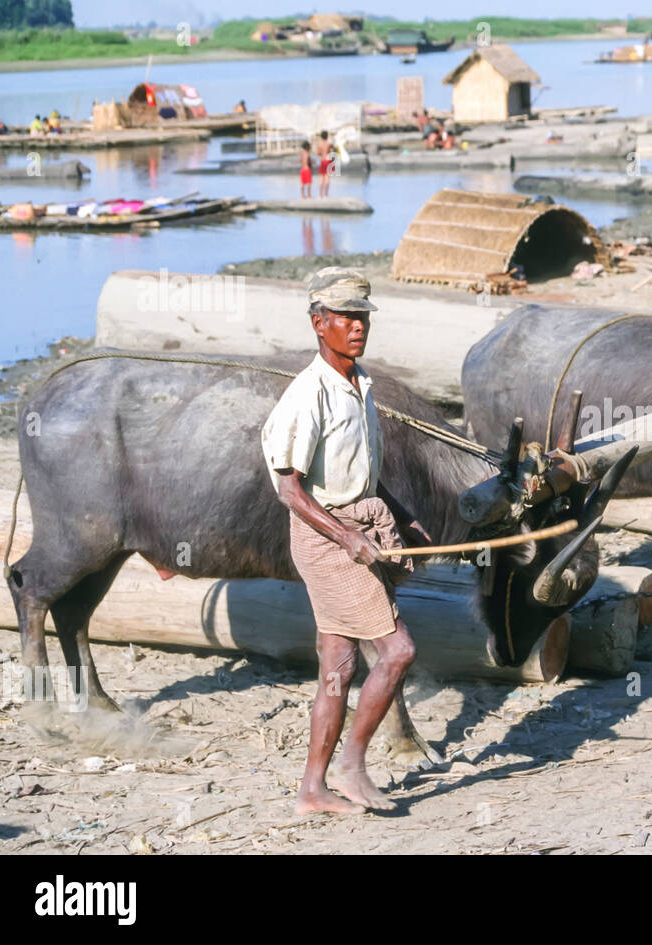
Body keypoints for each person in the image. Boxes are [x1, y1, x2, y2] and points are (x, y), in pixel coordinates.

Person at [261, 268, 430, 813]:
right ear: (319, 324)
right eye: (345, 318)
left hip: (360, 522)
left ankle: (313, 789)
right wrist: (348, 539)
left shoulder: (360, 386)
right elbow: (289, 489)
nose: (358, 327)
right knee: (398, 649)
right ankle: (353, 767)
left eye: (362, 317)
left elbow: (362, 472)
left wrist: (402, 517)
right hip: (325, 537)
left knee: (337, 665)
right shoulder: (307, 394)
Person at [314, 130, 333, 198]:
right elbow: (332, 151)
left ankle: (320, 194)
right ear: (327, 136)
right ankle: (326, 194)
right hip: (328, 160)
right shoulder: (329, 143)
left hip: (322, 160)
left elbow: (317, 153)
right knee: (327, 178)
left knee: (321, 178)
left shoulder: (319, 144)